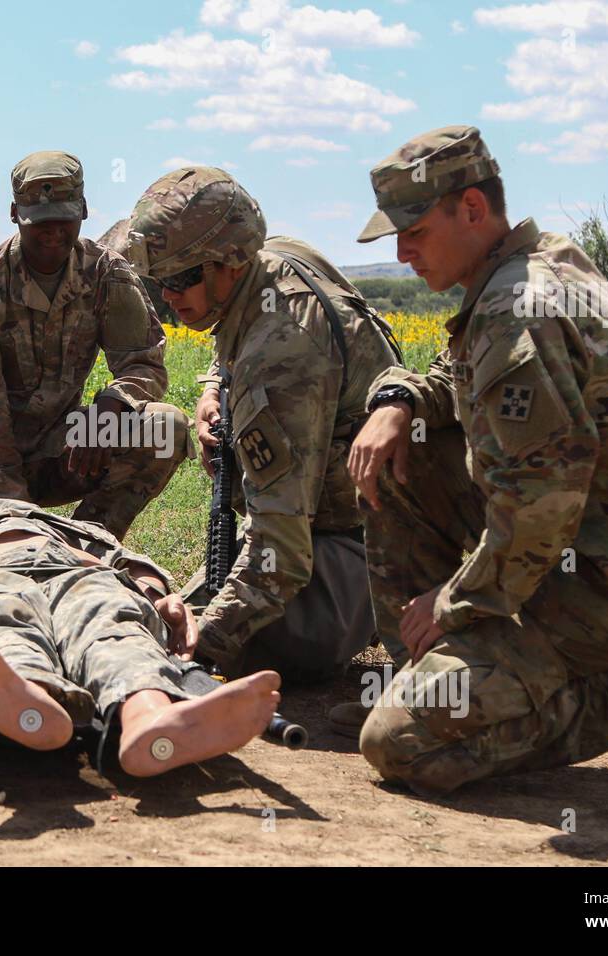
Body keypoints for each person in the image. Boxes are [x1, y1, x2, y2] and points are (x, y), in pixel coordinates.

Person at [346, 125, 608, 794]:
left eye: (414, 230)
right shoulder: (539, 261)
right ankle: (455, 666)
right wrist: (399, 399)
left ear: (472, 209)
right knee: (407, 452)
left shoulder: (515, 310)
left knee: (397, 746)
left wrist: (453, 602)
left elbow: (541, 511)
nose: (403, 251)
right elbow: (460, 371)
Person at [121, 167, 399, 684]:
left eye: (181, 279)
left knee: (239, 635)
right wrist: (211, 389)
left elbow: (282, 550)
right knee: (178, 609)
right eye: (159, 281)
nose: (168, 296)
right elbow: (232, 333)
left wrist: (211, 645)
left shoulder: (281, 356)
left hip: (366, 547)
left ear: (229, 262)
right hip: (324, 529)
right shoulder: (273, 263)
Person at [0, 495, 281, 776]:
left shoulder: (78, 531)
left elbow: (134, 565)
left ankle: (148, 719)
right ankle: (30, 698)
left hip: (81, 577)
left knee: (111, 618)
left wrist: (158, 597)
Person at [0, 151, 190, 539]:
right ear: (14, 213)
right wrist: (17, 517)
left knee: (166, 428)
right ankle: (32, 542)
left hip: (60, 442)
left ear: (83, 210)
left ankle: (88, 545)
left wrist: (110, 408)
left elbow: (143, 363)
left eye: (63, 217)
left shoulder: (106, 274)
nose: (53, 231)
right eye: (39, 220)